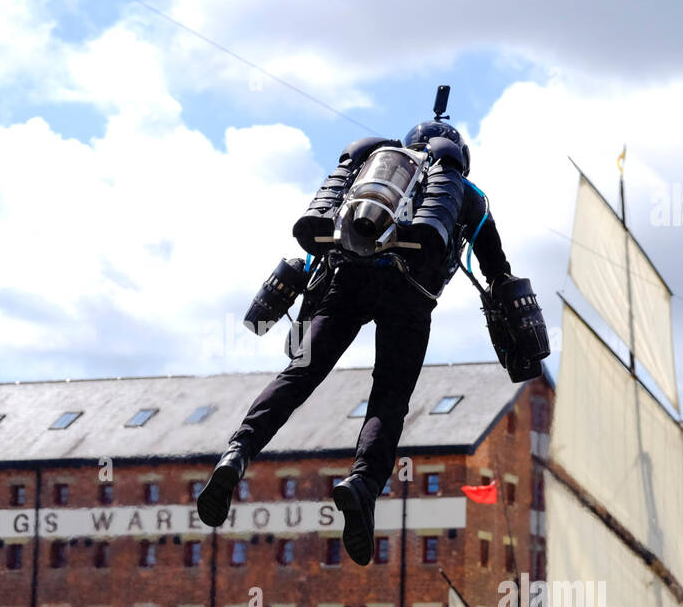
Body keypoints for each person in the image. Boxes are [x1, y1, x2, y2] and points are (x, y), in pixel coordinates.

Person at [196, 111, 519, 566]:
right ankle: (362, 486)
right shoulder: (469, 197)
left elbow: (322, 243)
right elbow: (497, 273)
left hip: (348, 281)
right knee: (388, 399)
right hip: (411, 298)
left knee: (299, 375)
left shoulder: (371, 171)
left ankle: (238, 452)